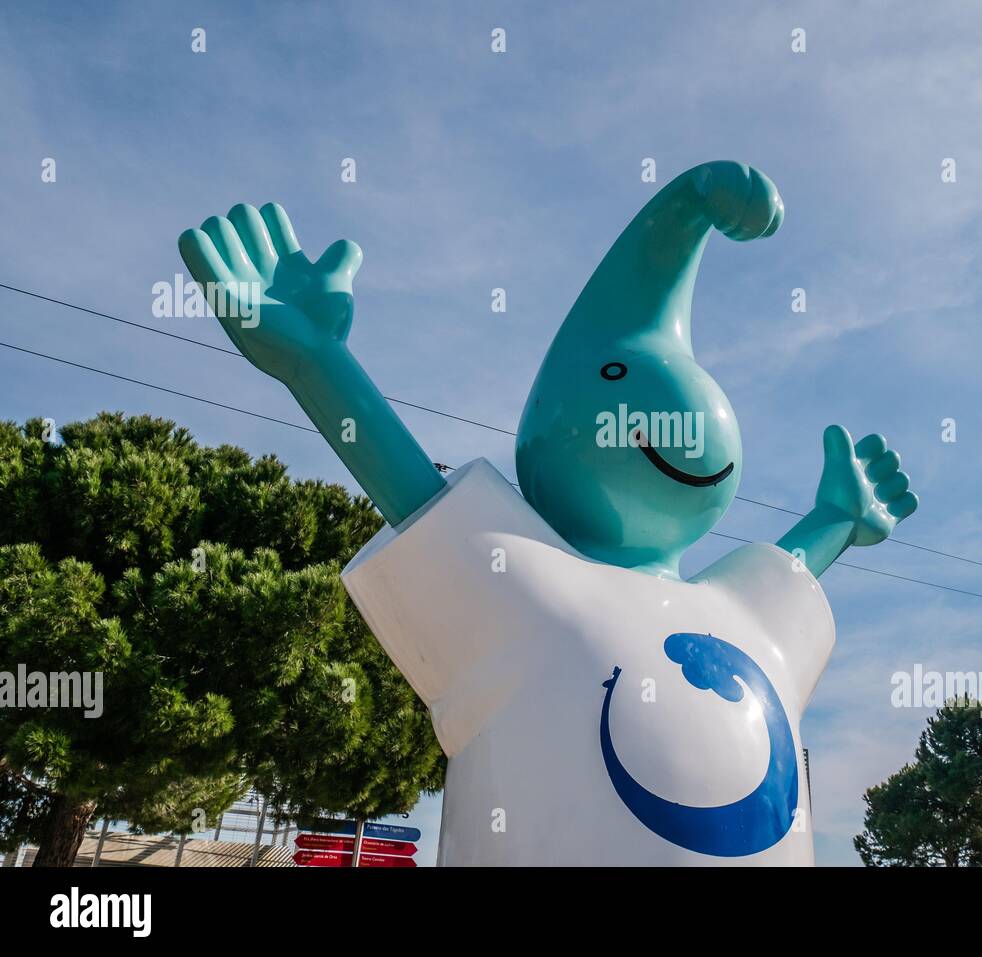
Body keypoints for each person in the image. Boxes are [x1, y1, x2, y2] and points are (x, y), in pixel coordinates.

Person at [178, 161, 918, 865]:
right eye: (616, 374)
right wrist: (319, 365)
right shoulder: (524, 578)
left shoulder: (733, 605)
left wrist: (836, 519)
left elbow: (786, 575)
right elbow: (410, 491)